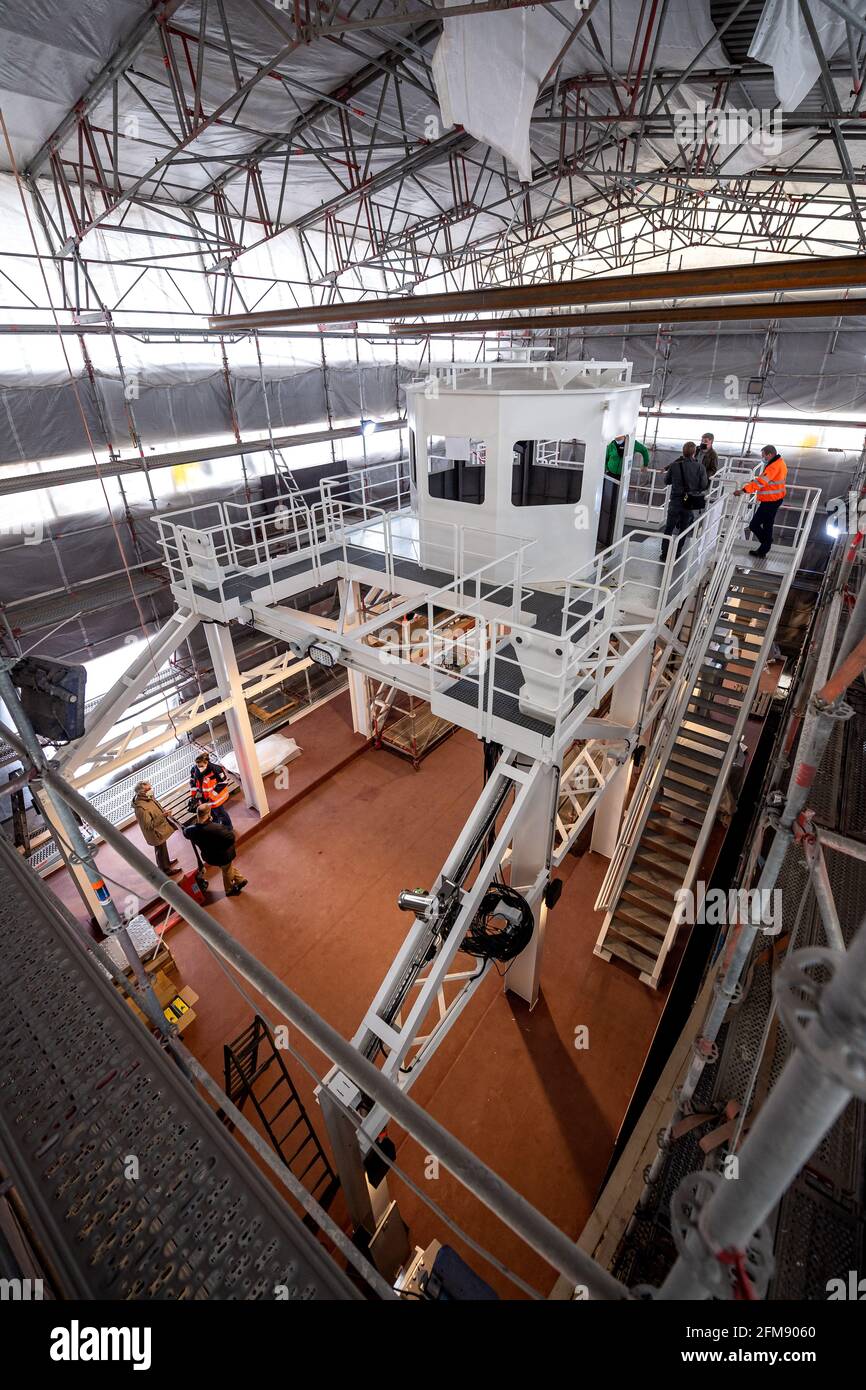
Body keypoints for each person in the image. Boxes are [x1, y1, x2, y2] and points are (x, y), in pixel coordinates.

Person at [734, 444, 787, 557]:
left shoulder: (773, 466)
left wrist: (743, 490)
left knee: (754, 525)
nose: (763, 458)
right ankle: (764, 549)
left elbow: (761, 482)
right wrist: (757, 480)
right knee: (768, 524)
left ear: (770, 454)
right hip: (775, 499)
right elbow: (767, 479)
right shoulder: (780, 463)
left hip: (770, 501)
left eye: (764, 456)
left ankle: (766, 543)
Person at [183, 804, 247, 896]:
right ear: (209, 814)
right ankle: (229, 890)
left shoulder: (191, 830)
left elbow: (185, 833)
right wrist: (222, 847)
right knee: (226, 870)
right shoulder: (217, 828)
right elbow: (231, 838)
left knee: (227, 868)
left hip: (209, 856)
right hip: (223, 855)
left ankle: (240, 879)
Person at [660, 442, 709, 562]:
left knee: (669, 527)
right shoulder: (700, 467)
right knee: (684, 528)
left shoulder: (675, 466)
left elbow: (667, 481)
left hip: (676, 500)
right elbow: (704, 485)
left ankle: (664, 553)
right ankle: (677, 552)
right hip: (690, 501)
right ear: (694, 453)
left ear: (683, 452)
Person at [132, 781, 181, 875]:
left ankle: (166, 863)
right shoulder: (140, 808)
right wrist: (163, 816)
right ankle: (165, 870)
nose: (151, 790)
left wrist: (163, 813)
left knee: (162, 847)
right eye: (147, 789)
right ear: (140, 792)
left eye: (150, 787)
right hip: (154, 832)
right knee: (160, 849)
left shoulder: (148, 797)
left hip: (159, 829)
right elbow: (148, 825)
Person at [190, 751, 232, 827]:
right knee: (211, 816)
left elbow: (224, 782)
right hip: (203, 798)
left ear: (207, 763)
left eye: (202, 766)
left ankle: (228, 828)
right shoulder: (194, 769)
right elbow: (193, 782)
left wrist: (212, 796)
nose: (199, 768)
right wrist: (194, 796)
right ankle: (216, 828)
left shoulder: (216, 769)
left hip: (214, 799)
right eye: (198, 765)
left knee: (220, 814)